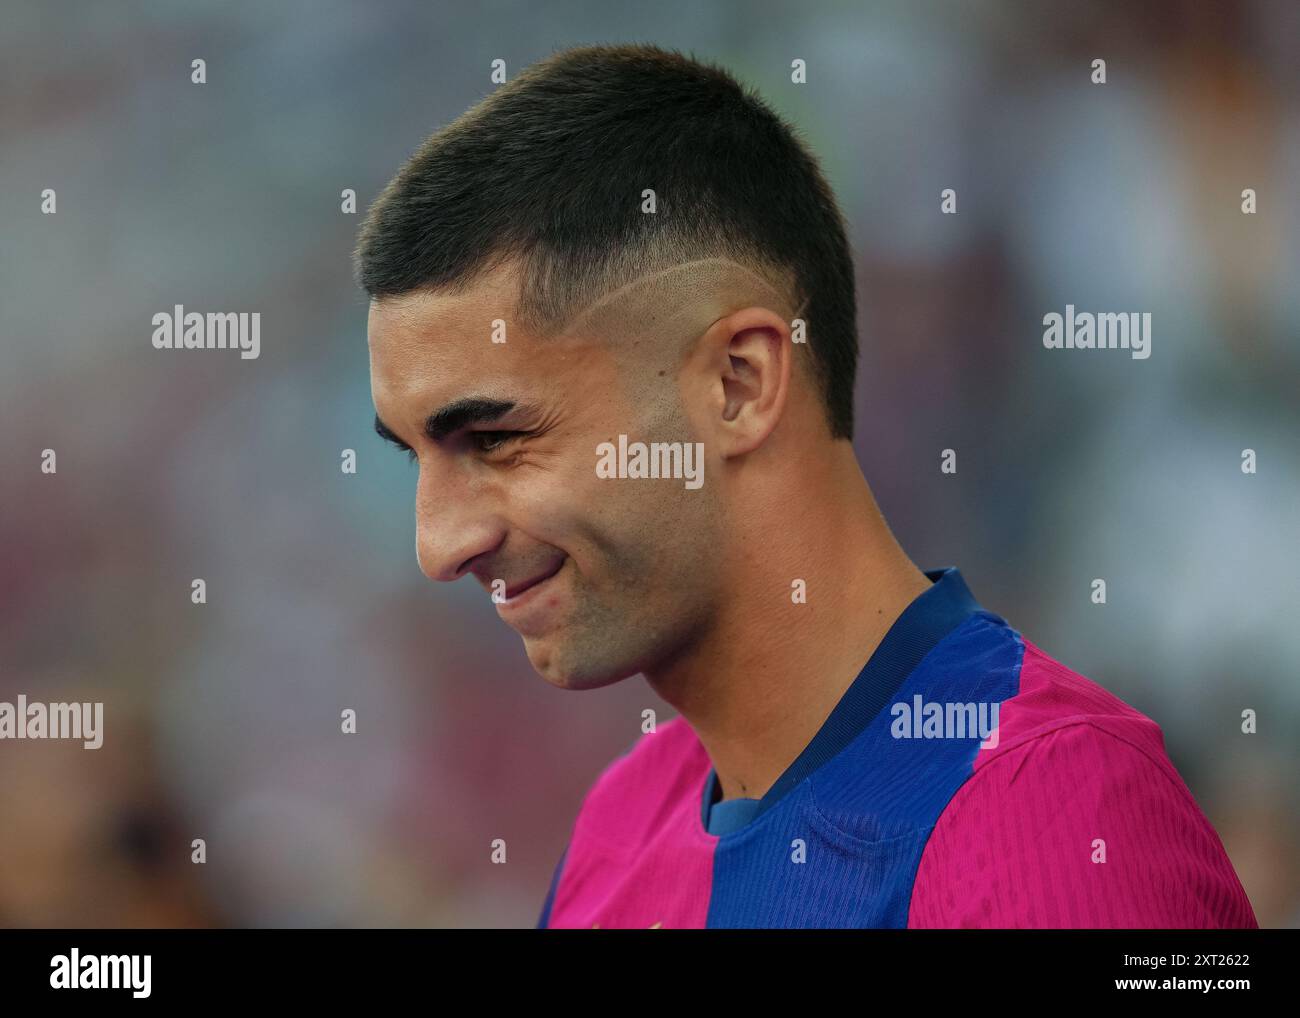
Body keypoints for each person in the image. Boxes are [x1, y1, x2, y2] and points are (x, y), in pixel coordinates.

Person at [355, 43, 1257, 928]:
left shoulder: (1050, 814)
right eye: (412, 456)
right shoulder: (621, 823)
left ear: (737, 386)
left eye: (497, 438)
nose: (439, 545)